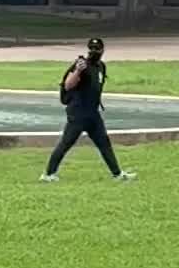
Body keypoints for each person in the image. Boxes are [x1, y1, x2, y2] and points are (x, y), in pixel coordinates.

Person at [41, 38, 136, 183]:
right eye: (91, 48)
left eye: (97, 49)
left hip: (93, 113)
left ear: (102, 50)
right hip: (78, 113)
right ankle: (48, 174)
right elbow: (68, 85)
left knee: (104, 143)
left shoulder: (101, 66)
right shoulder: (81, 65)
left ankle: (117, 174)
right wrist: (78, 71)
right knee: (66, 143)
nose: (94, 51)